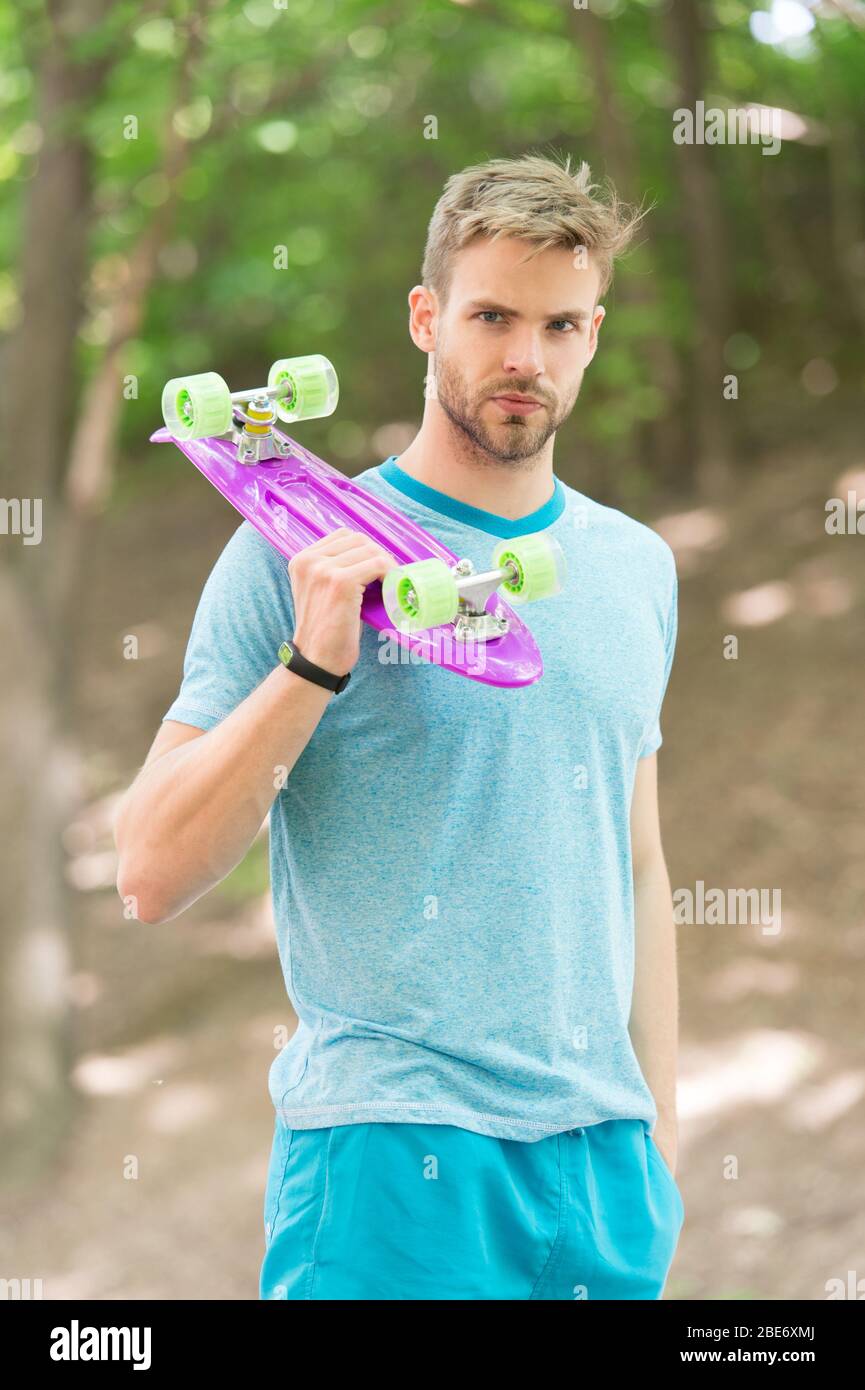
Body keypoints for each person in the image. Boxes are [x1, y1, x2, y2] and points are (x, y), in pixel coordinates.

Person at [114, 151, 683, 1300]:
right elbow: (148, 870)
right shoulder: (289, 550)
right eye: (490, 315)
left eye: (560, 325)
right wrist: (309, 665)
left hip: (602, 1174)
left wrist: (658, 1138)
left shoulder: (636, 568)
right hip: (391, 1161)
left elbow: (638, 861)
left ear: (594, 334)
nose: (525, 357)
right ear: (426, 319)